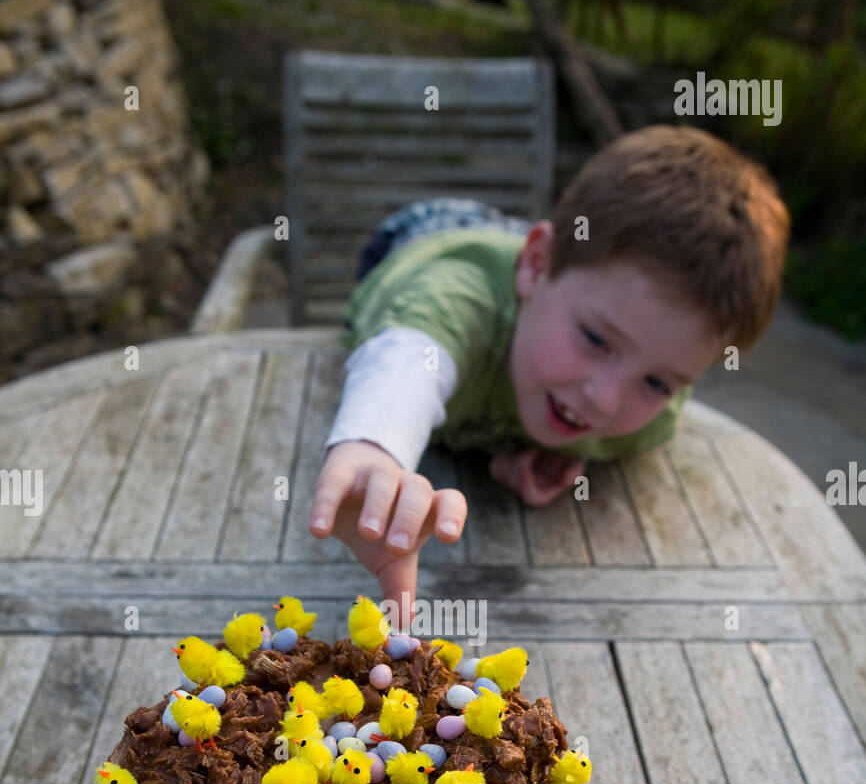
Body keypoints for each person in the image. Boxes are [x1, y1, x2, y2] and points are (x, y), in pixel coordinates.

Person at [308, 125, 790, 619]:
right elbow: (408, 356)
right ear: (535, 267)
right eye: (598, 340)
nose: (604, 400)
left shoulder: (652, 420)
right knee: (405, 320)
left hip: (558, 260)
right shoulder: (461, 301)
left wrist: (558, 447)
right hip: (432, 243)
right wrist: (373, 450)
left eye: (657, 383)